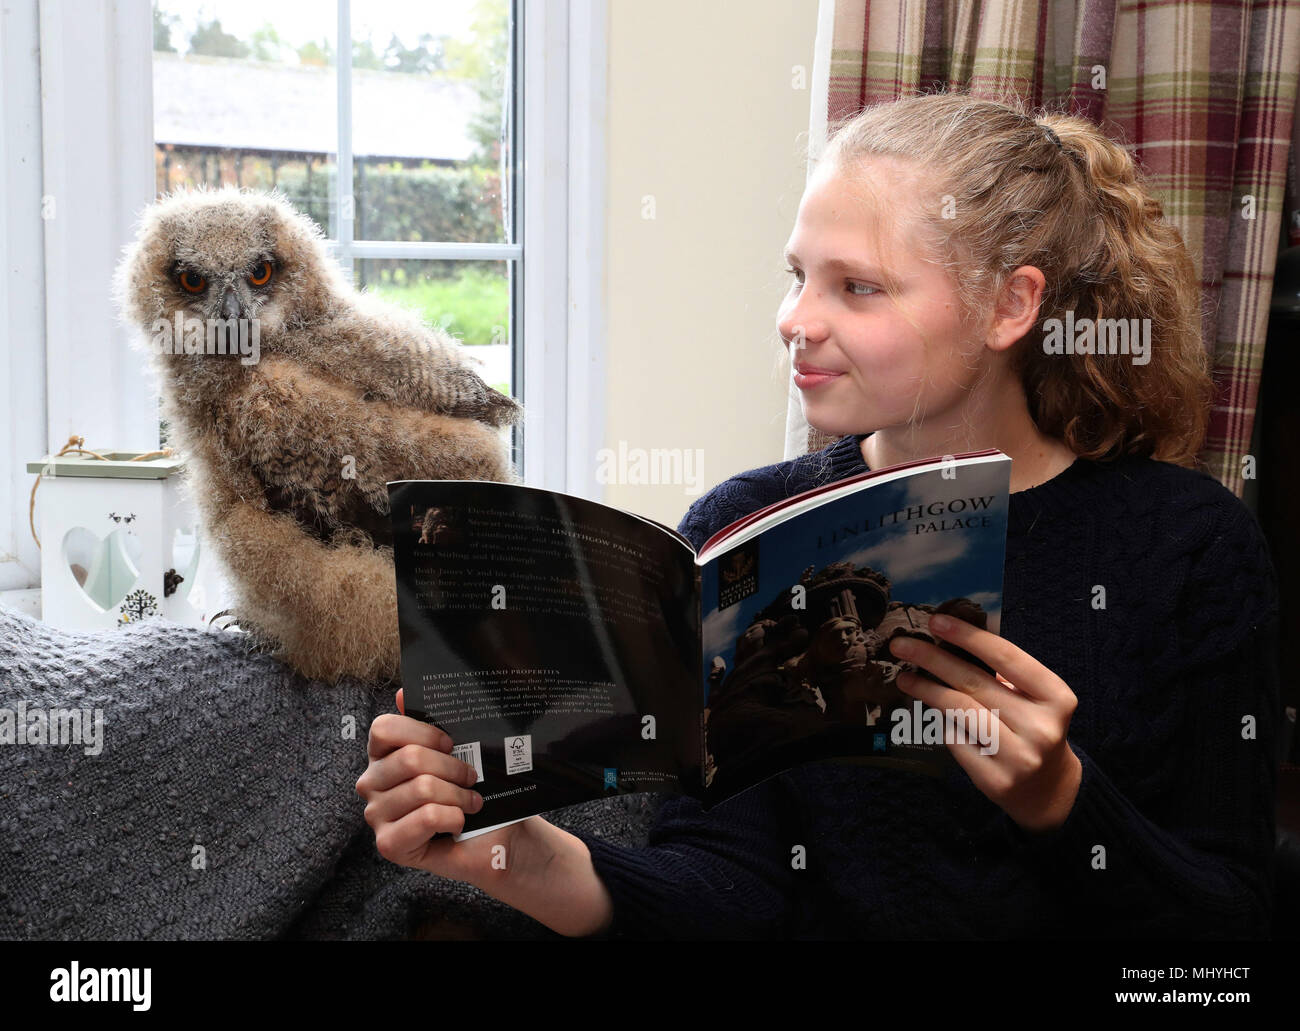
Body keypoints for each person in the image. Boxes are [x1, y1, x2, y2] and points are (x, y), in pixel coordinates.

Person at [355, 92, 1280, 939]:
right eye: (797, 274)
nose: (796, 319)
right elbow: (731, 890)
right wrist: (520, 856)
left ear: (1010, 305)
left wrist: (1063, 800)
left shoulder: (1188, 544)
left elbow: (1224, 945)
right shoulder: (742, 524)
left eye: (857, 286)